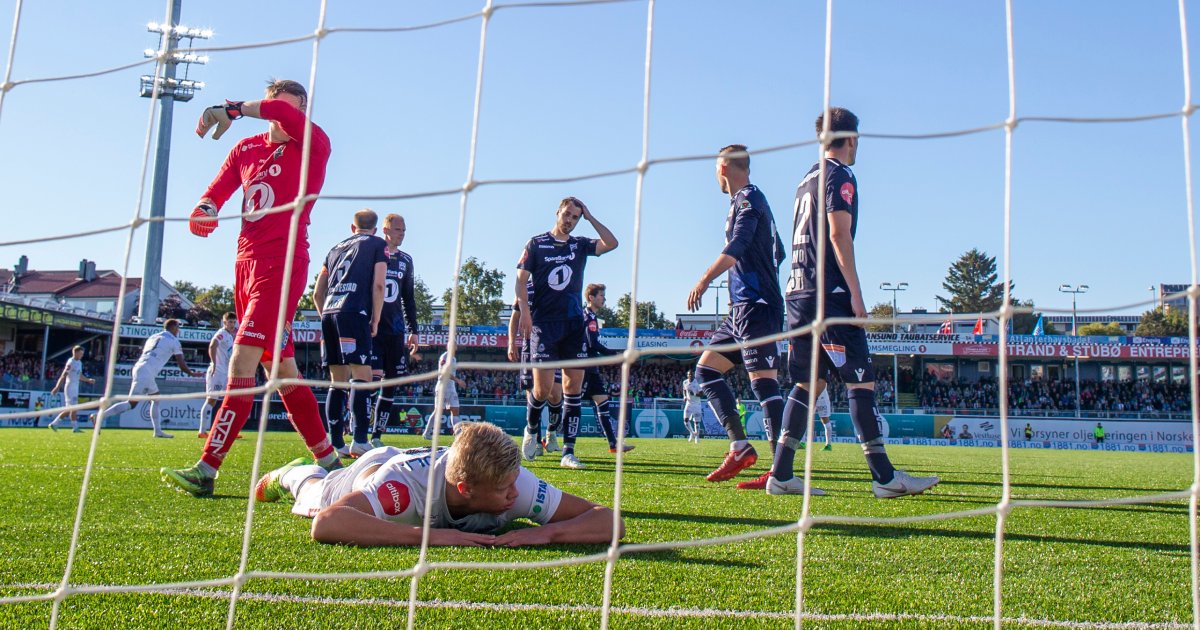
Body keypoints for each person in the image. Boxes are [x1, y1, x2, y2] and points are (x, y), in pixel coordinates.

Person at [163, 79, 339, 497]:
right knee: (281, 373)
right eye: (272, 102)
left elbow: (286, 116)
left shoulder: (313, 141)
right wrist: (203, 209)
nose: (277, 110)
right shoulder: (246, 149)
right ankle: (329, 461)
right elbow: (217, 191)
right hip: (244, 267)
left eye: (285, 105)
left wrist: (234, 108)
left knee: (241, 363)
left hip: (282, 264)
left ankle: (206, 469)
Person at [772, 108, 938, 498]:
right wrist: (857, 296)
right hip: (830, 296)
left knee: (807, 383)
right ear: (851, 138)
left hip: (798, 293)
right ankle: (884, 478)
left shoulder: (804, 179)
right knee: (860, 381)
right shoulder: (840, 174)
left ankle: (780, 473)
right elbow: (838, 234)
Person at [254, 421, 623, 546]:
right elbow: (328, 523)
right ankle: (292, 471)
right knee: (314, 493)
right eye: (503, 490)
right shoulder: (401, 492)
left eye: (515, 484)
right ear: (467, 490)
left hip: (437, 461)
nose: (515, 494)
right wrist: (433, 535)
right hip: (375, 470)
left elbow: (610, 521)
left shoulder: (514, 483)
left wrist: (544, 533)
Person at [685, 144, 787, 489]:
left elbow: (739, 246)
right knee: (706, 371)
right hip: (741, 308)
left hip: (757, 306)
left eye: (715, 168)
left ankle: (780, 470)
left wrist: (704, 279)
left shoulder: (748, 199)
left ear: (725, 168)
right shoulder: (745, 202)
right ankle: (740, 447)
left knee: (764, 382)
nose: (714, 174)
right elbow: (778, 252)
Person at [516, 197, 619, 470]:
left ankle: (568, 452)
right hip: (544, 325)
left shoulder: (580, 245)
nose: (570, 220)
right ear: (557, 212)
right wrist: (524, 311)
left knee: (572, 391)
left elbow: (612, 243)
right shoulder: (536, 244)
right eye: (567, 215)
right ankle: (531, 428)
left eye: (575, 217)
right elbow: (520, 280)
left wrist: (590, 216)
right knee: (543, 389)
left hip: (574, 325)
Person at [313, 209, 388, 458]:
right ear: (375, 229)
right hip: (355, 311)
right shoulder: (378, 244)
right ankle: (359, 439)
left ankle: (335, 443)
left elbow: (316, 293)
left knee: (338, 381)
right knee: (361, 375)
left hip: (329, 313)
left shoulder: (334, 249)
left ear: (352, 227)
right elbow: (379, 284)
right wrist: (376, 316)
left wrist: (326, 315)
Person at [369, 213, 420, 448]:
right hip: (373, 327)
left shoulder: (406, 260)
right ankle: (358, 426)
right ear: (386, 230)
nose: (402, 234)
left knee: (390, 383)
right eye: (398, 230)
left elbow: (408, 298)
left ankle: (376, 435)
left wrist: (414, 330)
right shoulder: (373, 252)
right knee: (371, 379)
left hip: (396, 330)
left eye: (405, 230)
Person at [105, 319, 202, 438]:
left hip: (138, 367)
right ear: (172, 328)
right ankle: (99, 417)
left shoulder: (153, 337)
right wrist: (192, 373)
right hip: (146, 372)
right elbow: (181, 365)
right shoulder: (174, 341)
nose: (179, 330)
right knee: (131, 404)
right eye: (177, 327)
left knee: (156, 398)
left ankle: (157, 431)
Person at [506, 282, 564, 456]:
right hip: (529, 346)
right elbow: (515, 318)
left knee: (555, 394)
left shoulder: (557, 285)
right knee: (533, 394)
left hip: (553, 345)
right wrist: (511, 343)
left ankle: (551, 433)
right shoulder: (524, 288)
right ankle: (535, 439)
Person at [583, 283, 634, 454]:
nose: (604, 299)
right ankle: (548, 437)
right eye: (601, 295)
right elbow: (592, 343)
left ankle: (613, 444)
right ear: (591, 297)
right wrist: (614, 355)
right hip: (583, 367)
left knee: (603, 401)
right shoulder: (589, 317)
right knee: (562, 401)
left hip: (590, 366)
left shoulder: (590, 316)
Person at [198, 312, 238, 438]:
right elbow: (212, 345)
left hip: (225, 372)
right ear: (224, 322)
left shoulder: (229, 336)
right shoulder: (221, 333)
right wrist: (214, 363)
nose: (232, 324)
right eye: (229, 322)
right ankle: (202, 431)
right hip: (218, 371)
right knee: (211, 399)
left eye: (233, 322)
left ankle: (228, 431)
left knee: (231, 400)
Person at [48, 346, 95, 433]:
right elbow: (63, 375)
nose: (82, 355)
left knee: (70, 409)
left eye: (82, 354)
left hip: (75, 387)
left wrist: (88, 380)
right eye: (80, 354)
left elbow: (79, 376)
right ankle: (75, 427)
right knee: (73, 408)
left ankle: (55, 423)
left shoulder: (79, 363)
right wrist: (57, 387)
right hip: (70, 387)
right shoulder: (71, 362)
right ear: (75, 353)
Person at [423, 352, 467, 440]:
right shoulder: (445, 356)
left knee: (455, 410)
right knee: (438, 411)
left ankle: (458, 434)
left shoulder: (454, 358)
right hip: (442, 387)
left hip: (451, 387)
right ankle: (427, 433)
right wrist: (458, 380)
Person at [682, 370, 704, 443]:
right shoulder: (685, 382)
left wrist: (694, 394)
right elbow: (684, 390)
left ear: (693, 375)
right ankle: (692, 433)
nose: (690, 375)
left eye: (691, 374)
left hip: (697, 404)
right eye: (689, 374)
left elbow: (702, 394)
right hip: (689, 403)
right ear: (687, 375)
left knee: (696, 422)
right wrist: (685, 396)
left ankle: (697, 437)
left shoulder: (697, 383)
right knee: (685, 420)